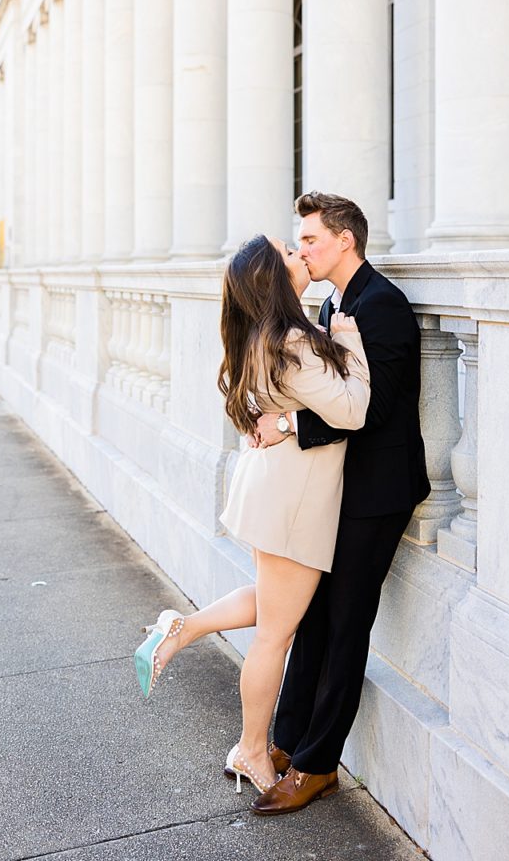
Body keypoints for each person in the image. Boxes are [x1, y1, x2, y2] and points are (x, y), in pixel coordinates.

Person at [134, 234, 371, 798]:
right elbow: (355, 410)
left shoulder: (258, 337)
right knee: (275, 635)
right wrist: (350, 339)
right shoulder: (292, 340)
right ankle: (251, 747)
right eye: (289, 251)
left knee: (273, 600)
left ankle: (183, 626)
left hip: (273, 491)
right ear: (275, 278)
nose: (299, 254)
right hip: (293, 498)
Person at [243, 191, 430, 815]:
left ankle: (318, 765)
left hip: (379, 493)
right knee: (312, 617)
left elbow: (369, 413)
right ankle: (287, 744)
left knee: (346, 623)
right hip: (340, 489)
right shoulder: (332, 303)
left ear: (345, 240)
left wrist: (291, 425)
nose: (302, 251)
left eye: (312, 241)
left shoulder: (383, 306)